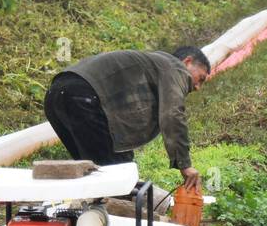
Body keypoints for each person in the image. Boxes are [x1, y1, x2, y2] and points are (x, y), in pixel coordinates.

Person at [43, 46, 210, 192]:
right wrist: (185, 164)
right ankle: (115, 224)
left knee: (92, 173)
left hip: (55, 95)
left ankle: (84, 220)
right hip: (83, 96)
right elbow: (172, 114)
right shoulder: (175, 68)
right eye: (200, 78)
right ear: (187, 61)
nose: (197, 87)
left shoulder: (153, 66)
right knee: (118, 177)